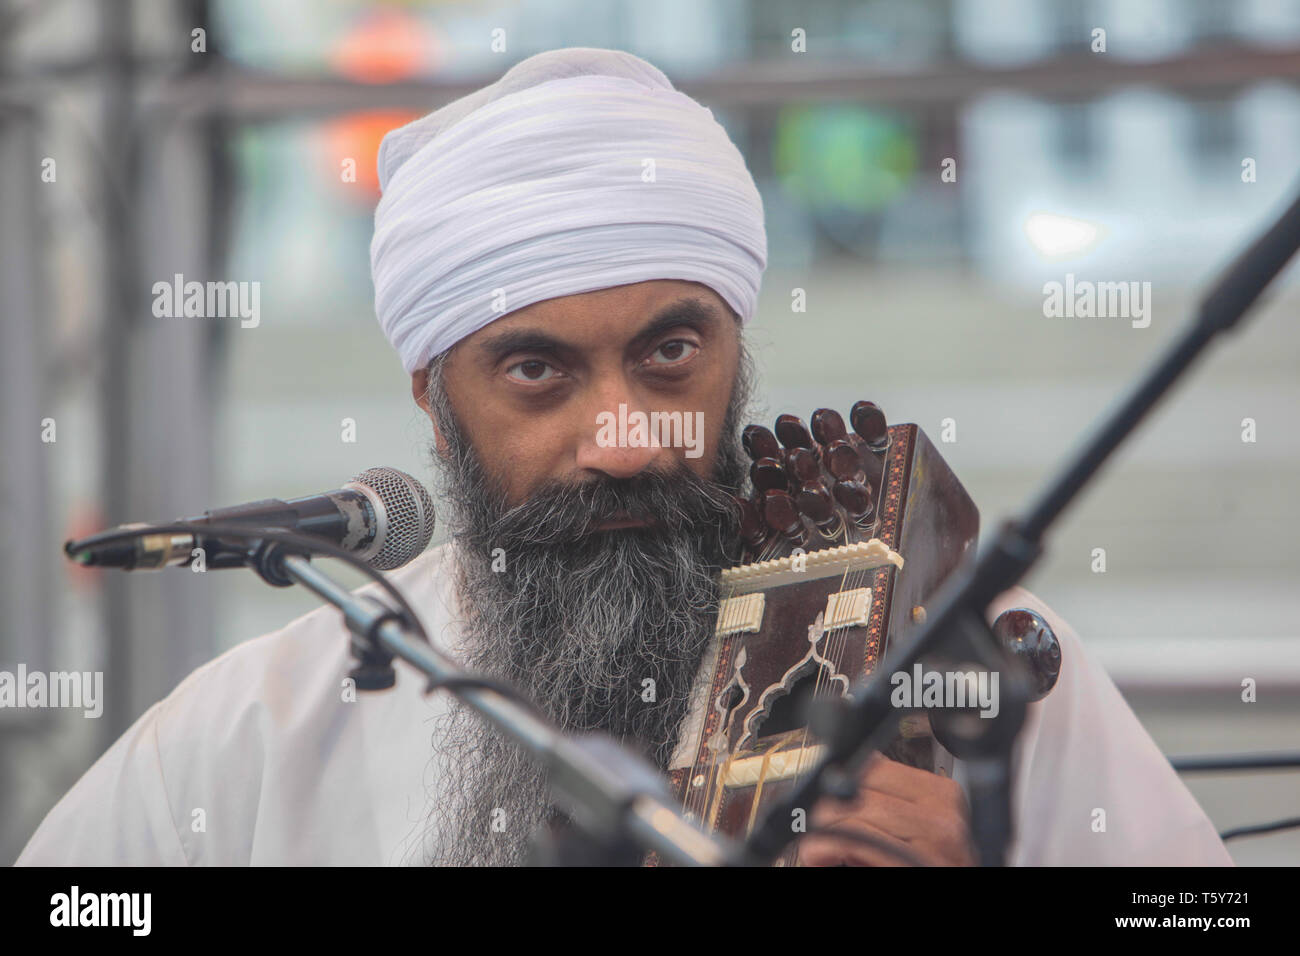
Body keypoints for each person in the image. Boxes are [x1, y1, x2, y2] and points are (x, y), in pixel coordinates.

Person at [19, 47, 1231, 867]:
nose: (622, 435)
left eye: (667, 354)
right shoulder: (258, 731)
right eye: (538, 371)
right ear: (433, 407)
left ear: (734, 354)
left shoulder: (961, 655)